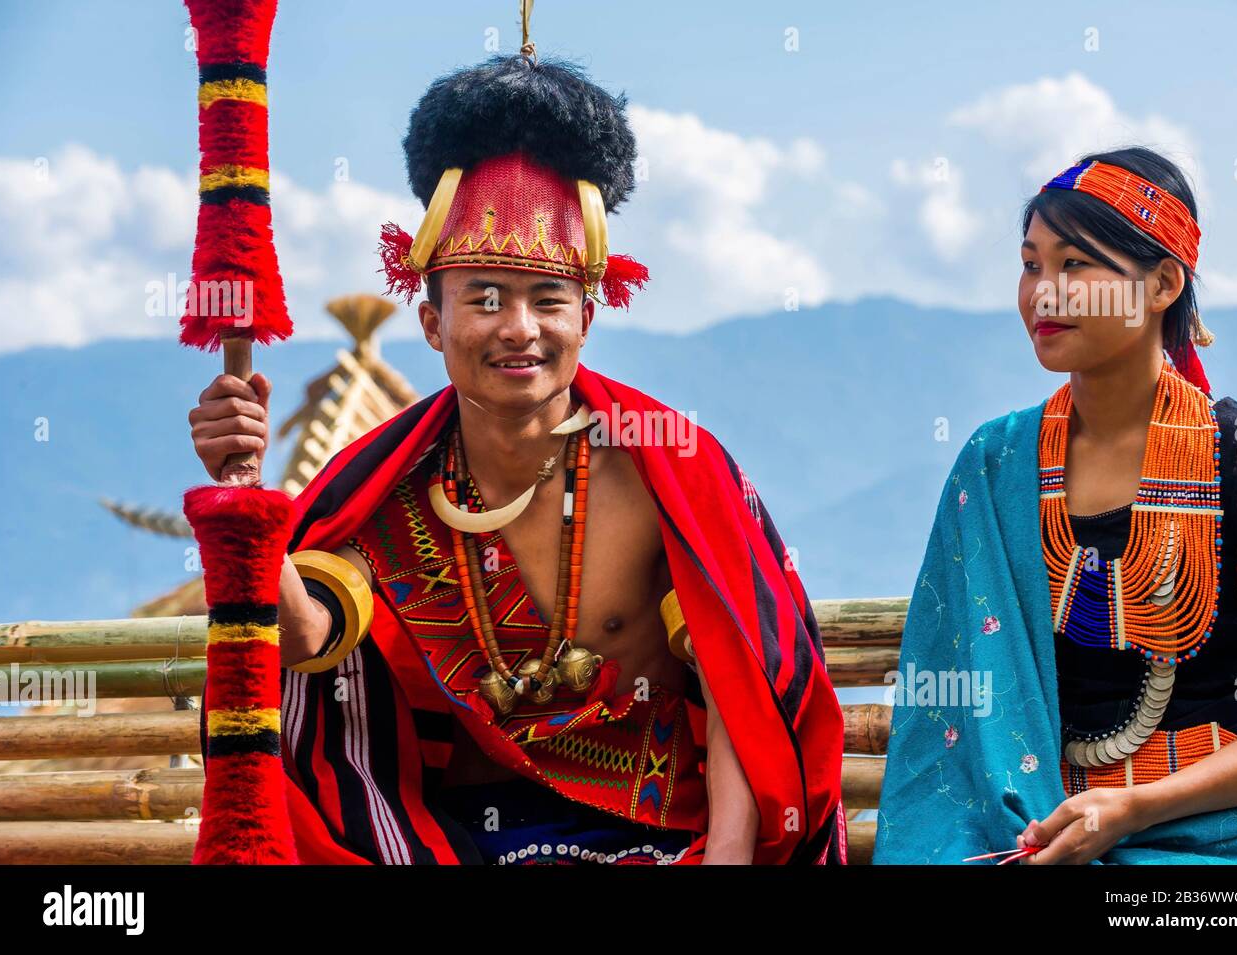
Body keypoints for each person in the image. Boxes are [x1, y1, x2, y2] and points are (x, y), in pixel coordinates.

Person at [189, 49, 845, 865]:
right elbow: (306, 648)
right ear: (432, 323)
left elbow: (742, 685)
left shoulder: (668, 469)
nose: (519, 329)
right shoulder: (385, 488)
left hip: (659, 842)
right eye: (486, 298)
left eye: (547, 299)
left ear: (587, 319)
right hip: (455, 847)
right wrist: (250, 505)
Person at [875, 146, 1237, 864]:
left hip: (1218, 839)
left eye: (1075, 265)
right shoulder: (996, 462)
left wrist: (1132, 807)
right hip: (1033, 832)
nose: (1043, 291)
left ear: (1162, 283)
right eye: (1031, 263)